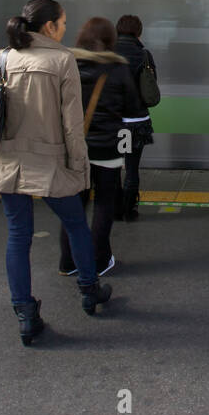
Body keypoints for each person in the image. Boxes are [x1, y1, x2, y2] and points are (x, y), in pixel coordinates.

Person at [0, 0, 111, 347]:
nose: (66, 28)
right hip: (51, 163)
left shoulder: (2, 58)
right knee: (75, 224)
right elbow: (72, 126)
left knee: (18, 236)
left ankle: (25, 314)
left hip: (9, 162)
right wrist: (79, 167)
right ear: (49, 26)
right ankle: (89, 290)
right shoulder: (61, 59)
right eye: (64, 23)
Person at [59, 17, 138, 276]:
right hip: (107, 147)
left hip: (74, 146)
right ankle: (99, 260)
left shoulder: (66, 63)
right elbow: (132, 108)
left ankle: (68, 262)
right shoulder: (117, 68)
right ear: (110, 40)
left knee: (74, 205)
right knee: (104, 203)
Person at [114, 15, 157, 221]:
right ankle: (129, 209)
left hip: (113, 122)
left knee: (112, 168)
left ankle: (113, 209)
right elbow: (151, 85)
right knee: (132, 169)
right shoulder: (144, 55)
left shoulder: (107, 54)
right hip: (136, 122)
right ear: (138, 32)